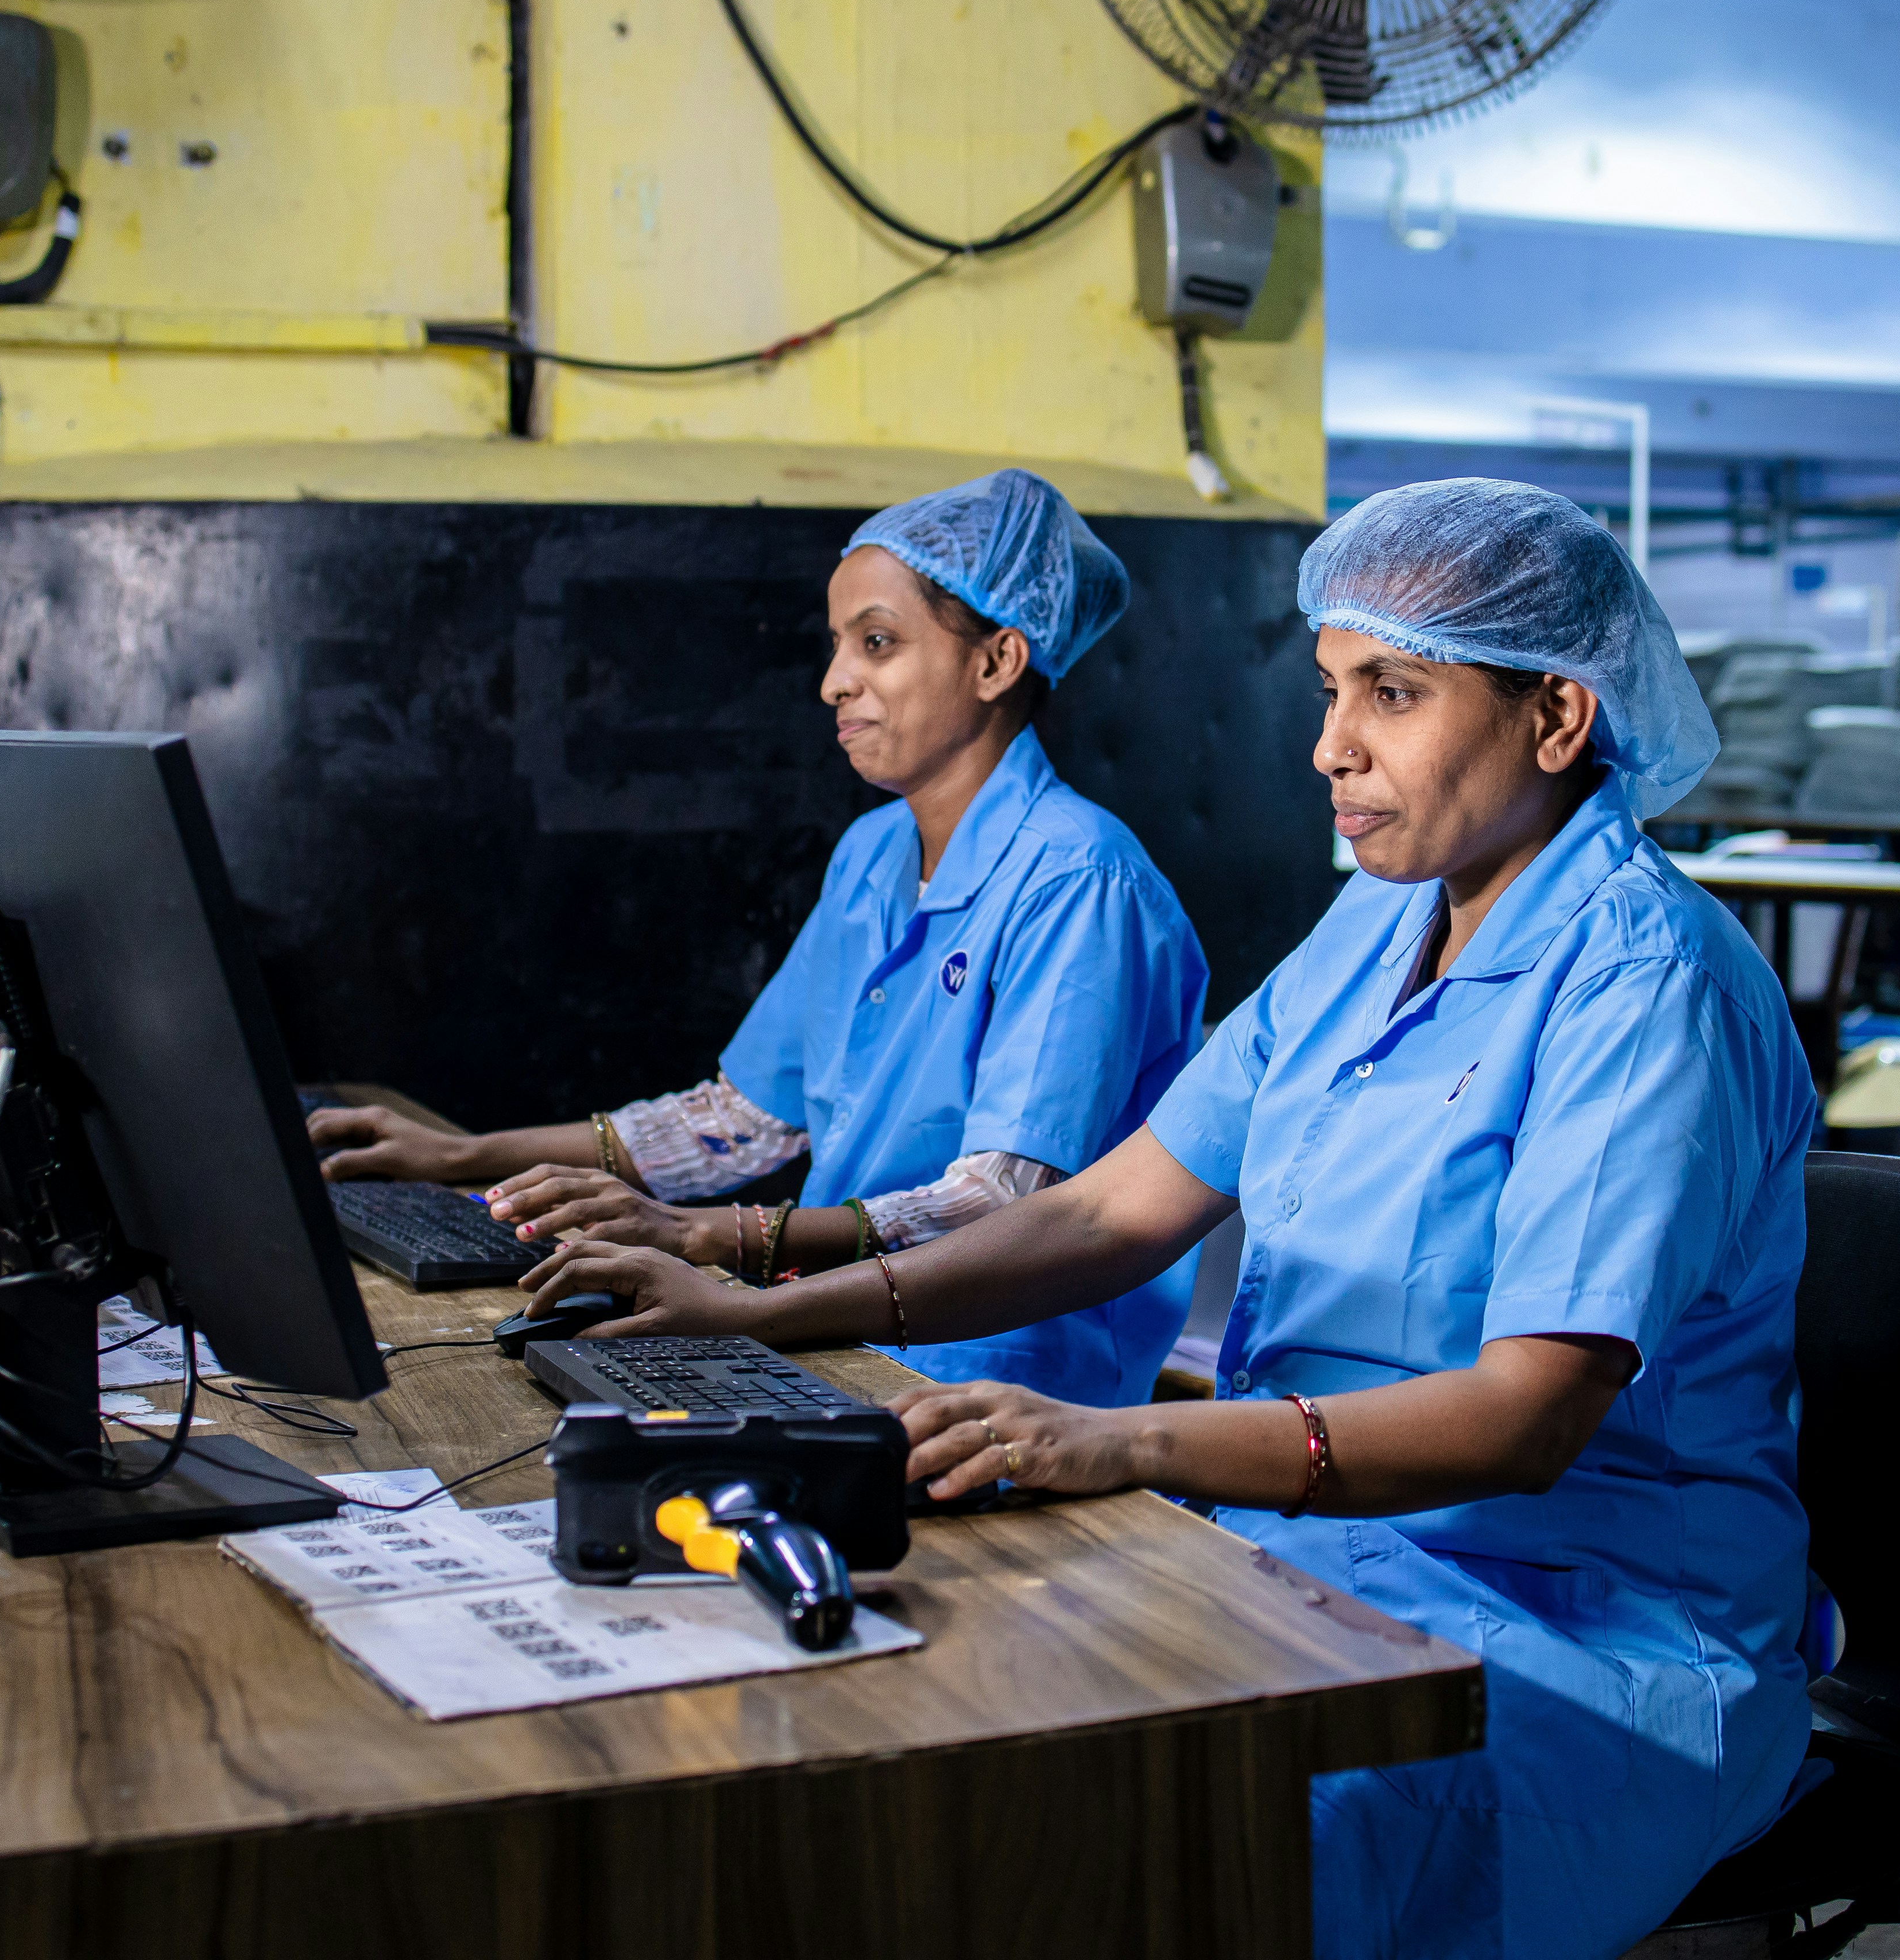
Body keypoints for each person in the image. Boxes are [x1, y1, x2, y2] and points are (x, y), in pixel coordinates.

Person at [514, 478, 1818, 1958]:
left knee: (1151, 1845)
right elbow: (1102, 1212)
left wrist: (1123, 1439)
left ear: (1560, 718)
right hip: (1307, 1552)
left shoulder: (1648, 983)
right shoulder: (1379, 922)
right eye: (1332, 689)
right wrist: (758, 1310)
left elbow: (1523, 1419)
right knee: (948, 1736)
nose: (1332, 745)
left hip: (1581, 1634)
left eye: (1392, 692)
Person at [312, 468, 1210, 1408]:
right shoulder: (874, 855)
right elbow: (742, 1122)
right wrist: (455, 1158)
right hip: (838, 1327)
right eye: (837, 647)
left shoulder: (1082, 884)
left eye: (878, 643)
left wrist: (717, 1238)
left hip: (1002, 1382)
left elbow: (1001, 1201)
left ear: (997, 662)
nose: (834, 683)